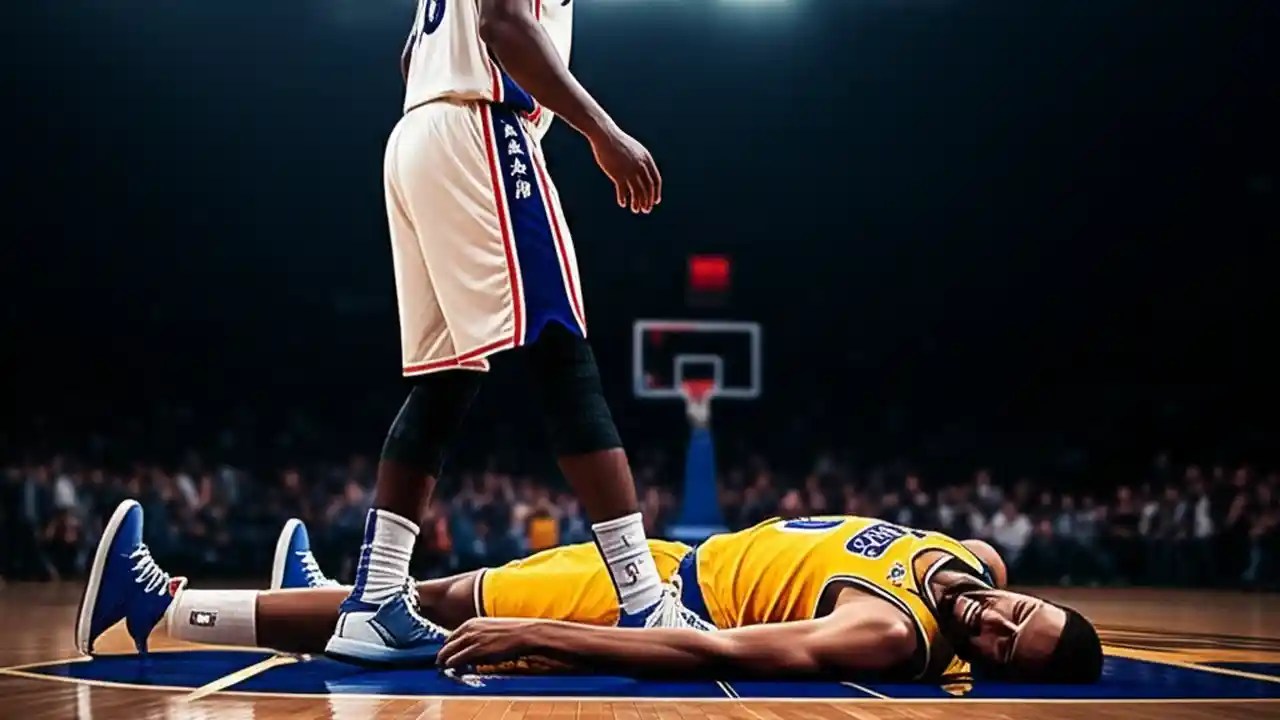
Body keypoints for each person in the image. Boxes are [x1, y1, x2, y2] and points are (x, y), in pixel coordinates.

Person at [337, 0, 676, 664]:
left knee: (447, 377)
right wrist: (602, 132)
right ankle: (645, 603)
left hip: (416, 133)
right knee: (562, 356)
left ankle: (374, 600)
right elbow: (502, 25)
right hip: (480, 127)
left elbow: (411, 57)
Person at [79, 501, 1100, 683]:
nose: (997, 620)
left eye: (1004, 645)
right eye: (1023, 614)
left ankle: (159, 607)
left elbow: (719, 656)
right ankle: (310, 592)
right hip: (662, 561)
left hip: (662, 599)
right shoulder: (974, 565)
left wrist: (546, 635)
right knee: (431, 588)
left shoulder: (889, 632)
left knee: (418, 613)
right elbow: (985, 571)